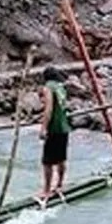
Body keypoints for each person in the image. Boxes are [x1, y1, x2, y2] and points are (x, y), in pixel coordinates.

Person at [38, 67, 71, 201]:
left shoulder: (48, 88)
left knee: (47, 161)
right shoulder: (60, 87)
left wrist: (43, 128)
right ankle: (60, 184)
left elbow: (49, 109)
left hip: (54, 128)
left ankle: (46, 190)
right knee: (61, 158)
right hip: (64, 127)